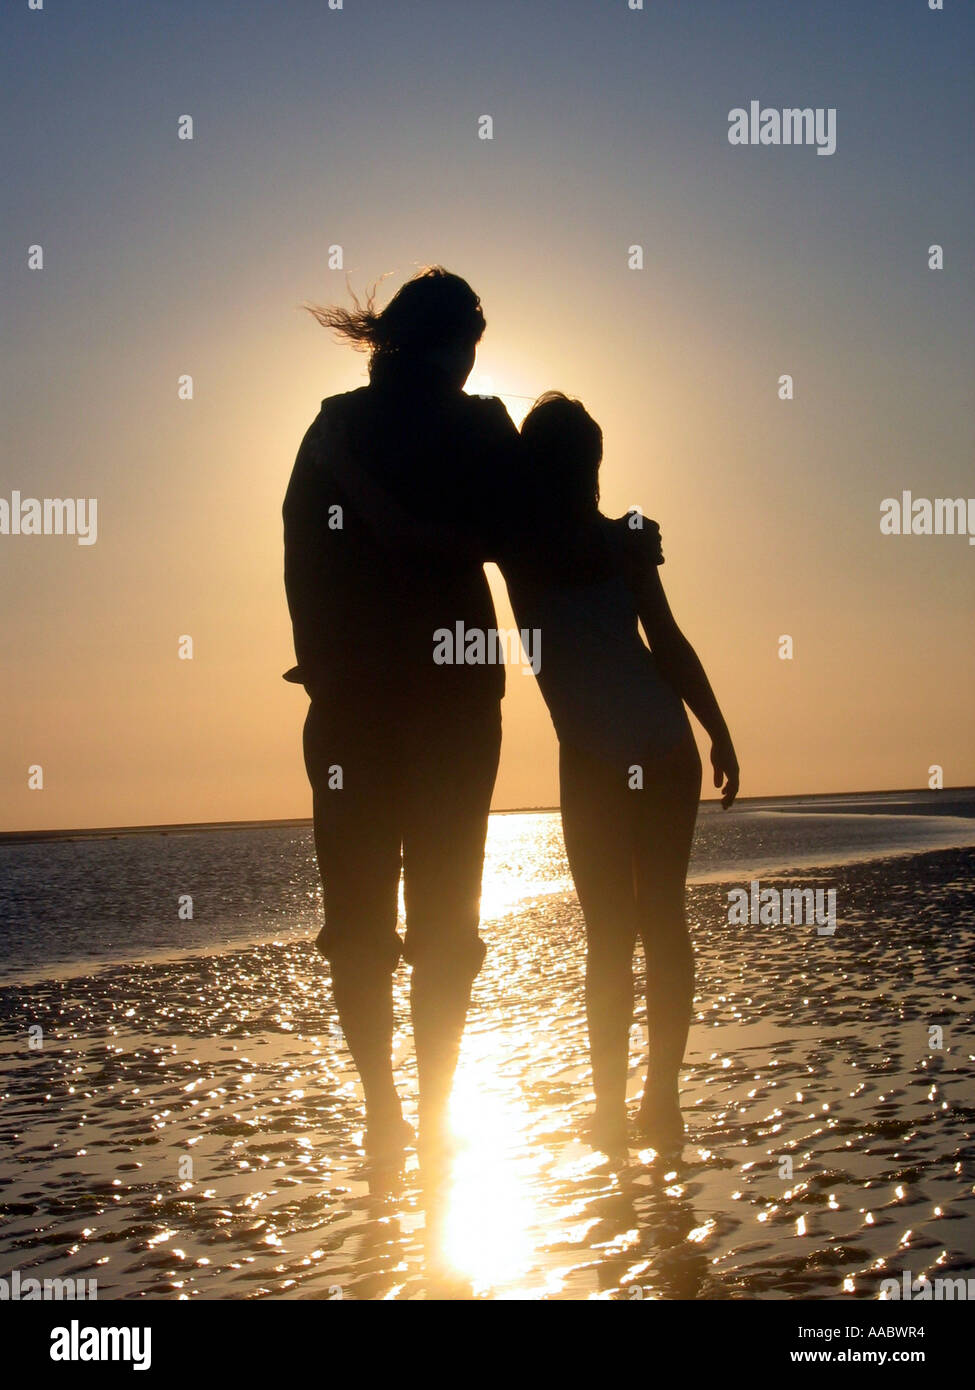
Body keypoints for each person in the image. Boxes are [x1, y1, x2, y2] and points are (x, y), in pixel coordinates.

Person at [282, 268, 521, 1167]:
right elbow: (536, 530)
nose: (468, 364)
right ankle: (408, 1112)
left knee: (385, 922)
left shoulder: (338, 428)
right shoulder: (446, 425)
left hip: (375, 703)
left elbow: (301, 553)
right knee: (415, 923)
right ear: (439, 342)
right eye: (464, 346)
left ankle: (403, 1111)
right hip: (418, 703)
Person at [506, 393, 739, 1154]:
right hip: (638, 747)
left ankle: (635, 1105)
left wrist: (719, 729)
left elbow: (666, 639)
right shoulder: (569, 543)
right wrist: (715, 730)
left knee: (620, 933)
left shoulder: (535, 545)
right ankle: (641, 1104)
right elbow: (665, 643)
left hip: (624, 753)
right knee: (644, 927)